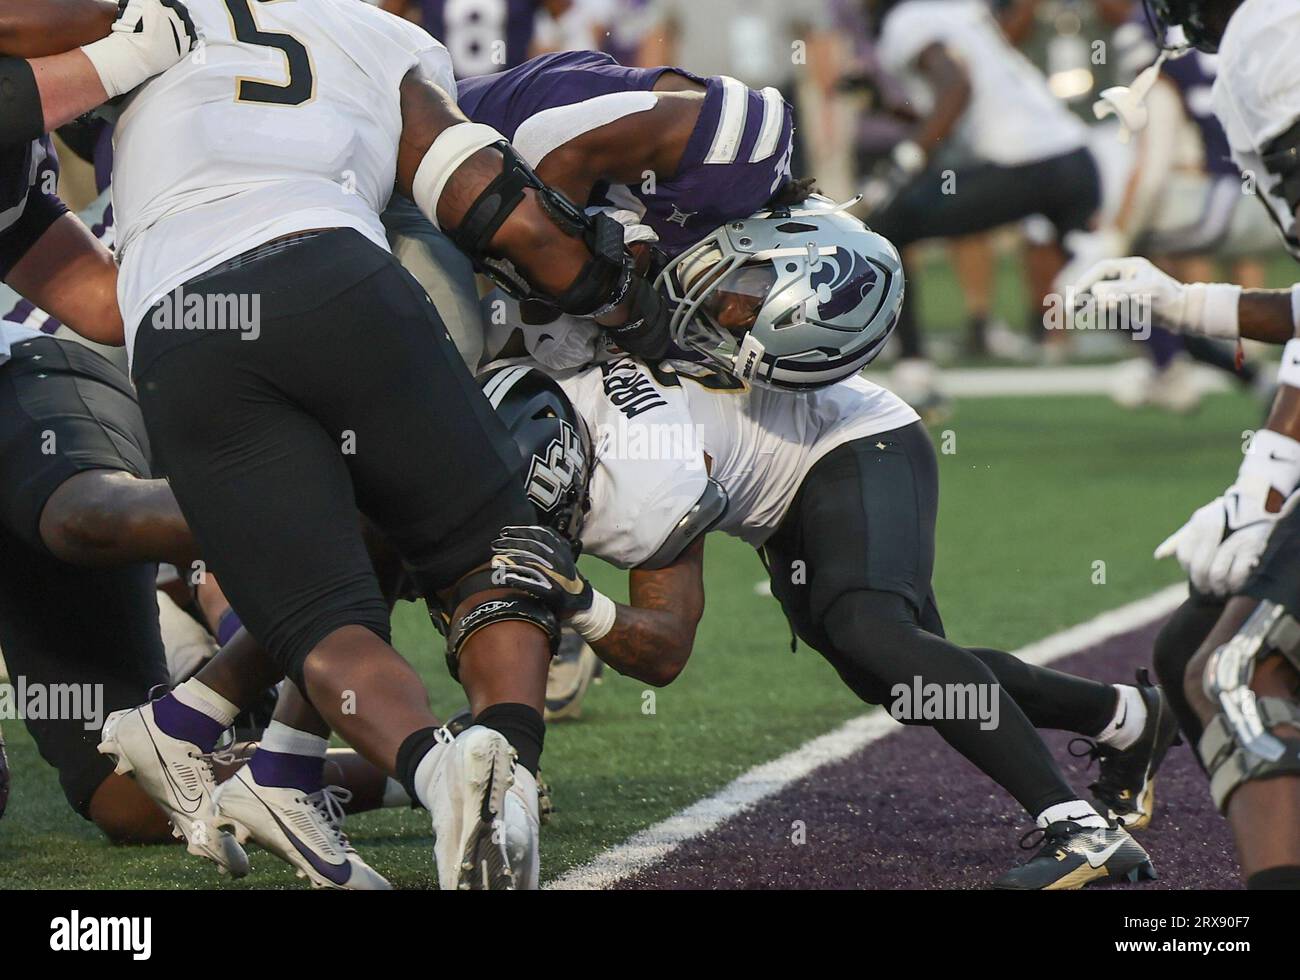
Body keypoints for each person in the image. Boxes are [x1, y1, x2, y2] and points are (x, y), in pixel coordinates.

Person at [95, 0, 668, 891]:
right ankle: (498, 774)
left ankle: (430, 770)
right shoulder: (383, 37)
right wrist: (616, 289)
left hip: (174, 319)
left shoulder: (146, 16)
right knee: (491, 550)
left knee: (320, 615)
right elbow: (492, 205)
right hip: (332, 273)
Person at [481, 198, 1176, 889]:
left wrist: (582, 604)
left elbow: (666, 649)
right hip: (787, 490)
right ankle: (1127, 717)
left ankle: (1079, 830)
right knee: (904, 686)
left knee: (873, 631)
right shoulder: (557, 370)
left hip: (852, 441)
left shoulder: (646, 478)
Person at [1075, 0, 1300, 891]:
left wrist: (1268, 480)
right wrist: (1183, 303)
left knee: (1238, 673)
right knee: (1186, 653)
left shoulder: (1272, 32)